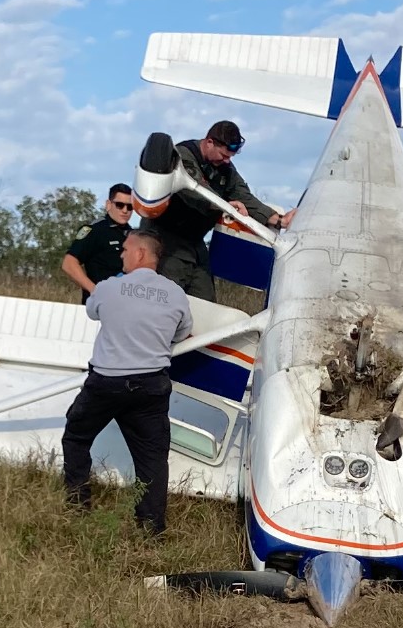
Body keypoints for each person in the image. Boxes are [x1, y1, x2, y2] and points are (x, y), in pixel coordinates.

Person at [63, 230, 192, 535]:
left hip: (106, 383)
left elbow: (94, 312)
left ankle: (77, 507)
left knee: (76, 437)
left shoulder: (109, 288)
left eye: (125, 250)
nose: (121, 254)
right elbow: (182, 332)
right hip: (150, 387)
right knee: (152, 459)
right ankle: (150, 528)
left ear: (139, 254)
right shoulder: (175, 294)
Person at [144, 120, 294, 303]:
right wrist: (226, 206)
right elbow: (194, 190)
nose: (227, 161)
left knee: (205, 301)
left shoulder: (225, 169)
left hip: (195, 244)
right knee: (166, 300)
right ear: (209, 142)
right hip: (166, 242)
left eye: (230, 157)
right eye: (223, 155)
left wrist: (278, 220)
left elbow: (243, 195)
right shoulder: (182, 157)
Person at [61, 183, 135, 302]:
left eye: (130, 206)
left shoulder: (134, 236)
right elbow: (69, 263)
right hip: (97, 306)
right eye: (119, 205)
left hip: (124, 306)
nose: (125, 210)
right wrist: (95, 291)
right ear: (108, 205)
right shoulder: (94, 230)